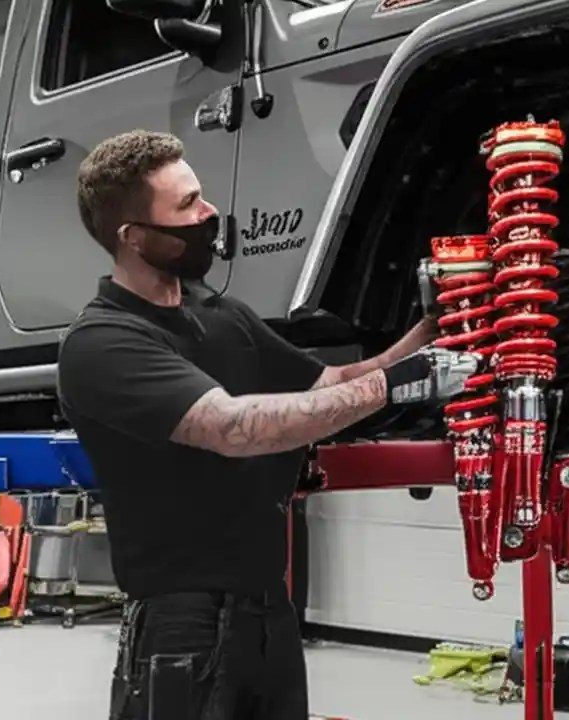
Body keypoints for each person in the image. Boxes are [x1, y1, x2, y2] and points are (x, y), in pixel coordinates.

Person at [55, 129, 473, 720]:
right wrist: (397, 385)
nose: (209, 215)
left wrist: (427, 332)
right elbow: (231, 428)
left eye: (200, 196)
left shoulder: (220, 314)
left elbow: (328, 385)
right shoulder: (101, 343)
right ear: (133, 238)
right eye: (186, 207)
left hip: (269, 613)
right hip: (182, 626)